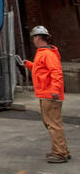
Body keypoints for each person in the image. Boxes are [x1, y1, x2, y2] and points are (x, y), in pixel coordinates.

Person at [24, 26, 71, 163]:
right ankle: (62, 150)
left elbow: (56, 73)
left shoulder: (47, 54)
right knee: (51, 123)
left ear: (38, 38)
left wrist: (55, 90)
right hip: (46, 94)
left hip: (50, 95)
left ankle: (60, 153)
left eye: (33, 37)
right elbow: (42, 70)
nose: (33, 40)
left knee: (53, 124)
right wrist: (29, 65)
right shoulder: (43, 53)